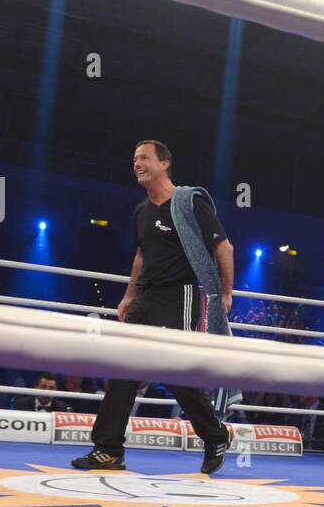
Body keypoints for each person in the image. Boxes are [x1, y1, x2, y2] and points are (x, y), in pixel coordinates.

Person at [71, 141, 234, 475]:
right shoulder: (141, 210)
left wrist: (226, 294)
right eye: (134, 159)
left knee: (177, 370)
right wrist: (129, 296)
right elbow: (141, 255)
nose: (136, 164)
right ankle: (108, 449)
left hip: (181, 294)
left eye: (144, 158)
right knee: (123, 366)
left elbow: (224, 247)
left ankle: (215, 435)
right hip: (146, 297)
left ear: (165, 163)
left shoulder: (190, 203)